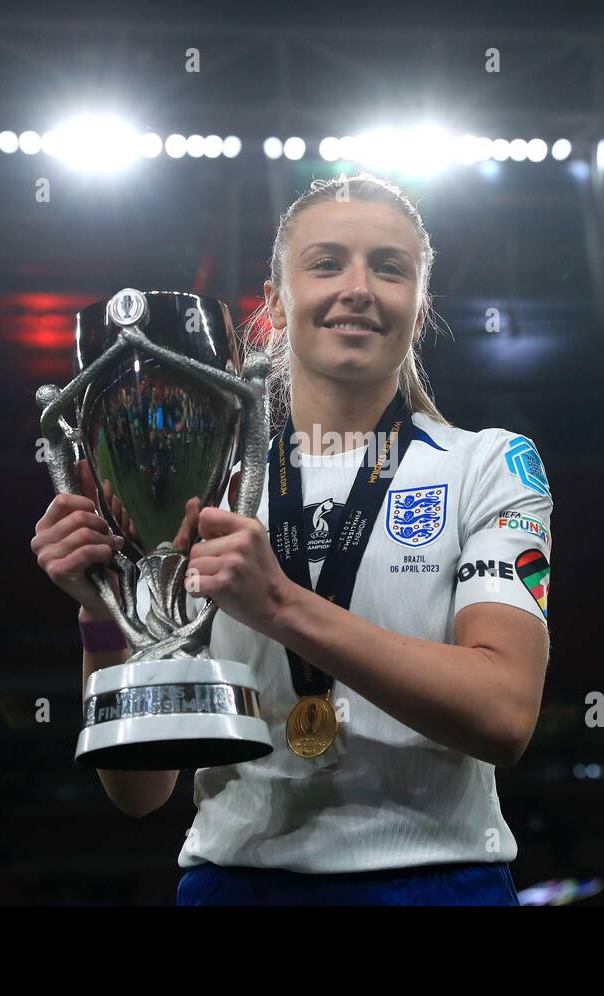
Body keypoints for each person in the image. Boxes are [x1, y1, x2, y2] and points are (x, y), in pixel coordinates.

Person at [31, 172, 553, 905]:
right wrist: (101, 615)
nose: (359, 287)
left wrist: (279, 605)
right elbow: (141, 791)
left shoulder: (489, 464)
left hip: (436, 880)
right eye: (327, 262)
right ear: (275, 303)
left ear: (420, 304)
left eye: (390, 268)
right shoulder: (203, 484)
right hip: (234, 883)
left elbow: (503, 717)